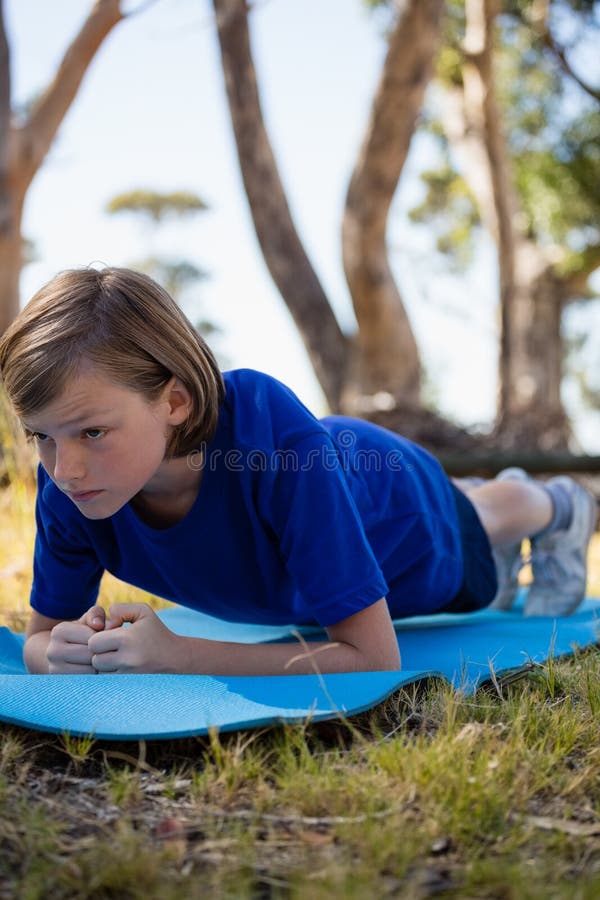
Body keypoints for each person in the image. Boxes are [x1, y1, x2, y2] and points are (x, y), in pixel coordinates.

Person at [0, 267, 596, 677]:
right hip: (318, 498)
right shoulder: (71, 482)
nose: (65, 468)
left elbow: (370, 658)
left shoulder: (269, 439)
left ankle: (558, 504)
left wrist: (180, 655)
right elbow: (38, 640)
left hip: (392, 502)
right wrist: (61, 653)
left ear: (175, 401)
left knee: (476, 537)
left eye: (93, 433)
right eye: (41, 437)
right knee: (467, 530)